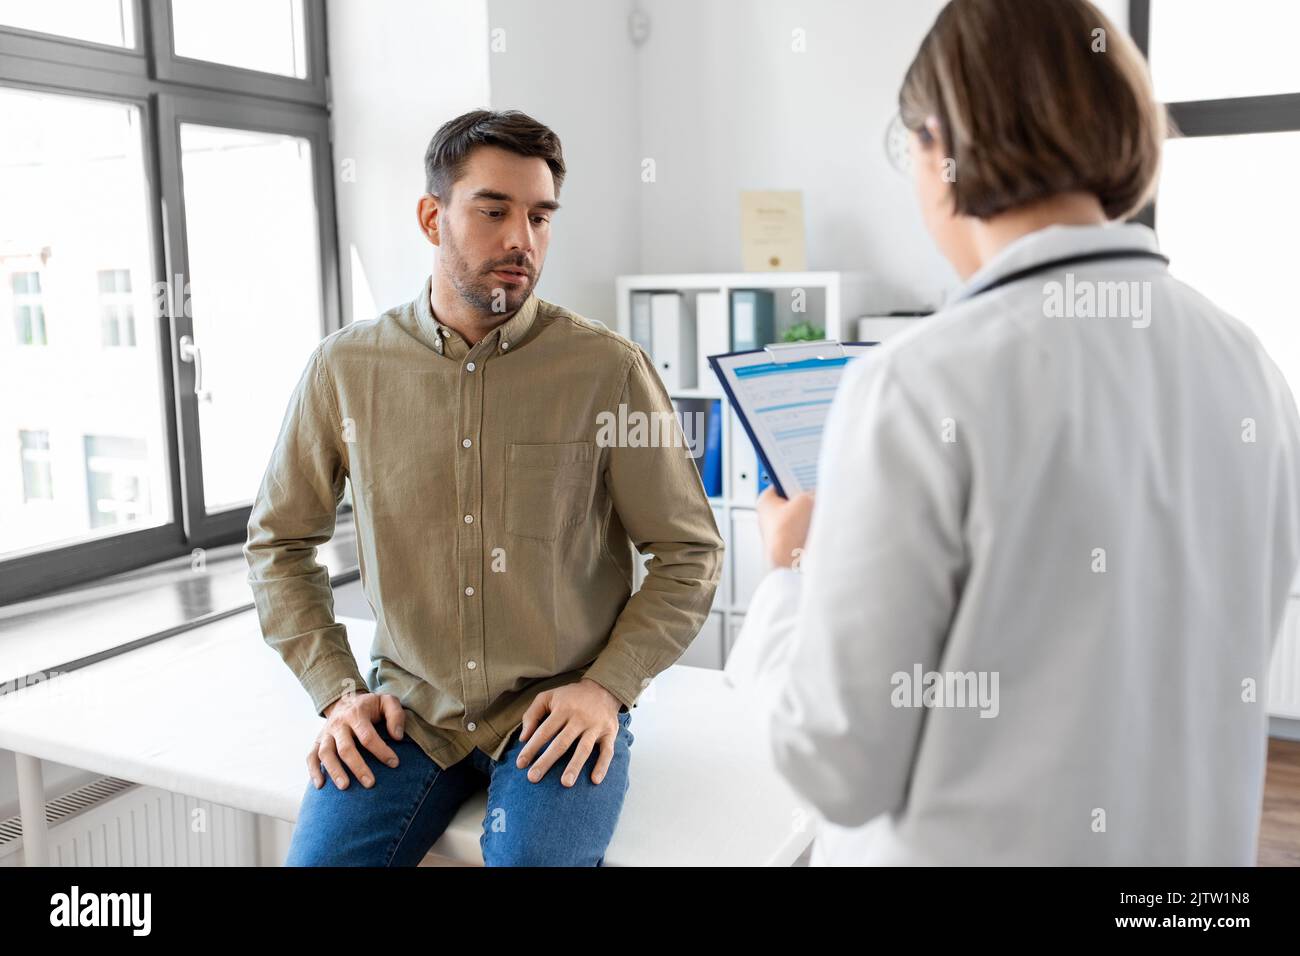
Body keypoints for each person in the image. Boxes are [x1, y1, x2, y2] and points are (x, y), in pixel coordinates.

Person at [731, 0, 1300, 864]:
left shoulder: (917, 385)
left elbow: (835, 764)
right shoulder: (1247, 361)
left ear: (939, 143)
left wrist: (785, 580)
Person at [245, 109, 723, 866]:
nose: (521, 240)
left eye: (539, 216)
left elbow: (689, 553)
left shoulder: (608, 371)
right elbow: (279, 542)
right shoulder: (344, 370)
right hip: (407, 712)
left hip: (556, 711)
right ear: (433, 217)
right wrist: (337, 693)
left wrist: (607, 688)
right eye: (494, 210)